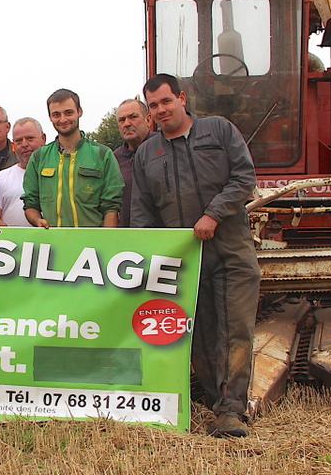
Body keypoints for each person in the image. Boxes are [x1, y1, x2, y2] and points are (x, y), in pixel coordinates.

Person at [131, 73, 260, 439]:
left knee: (236, 330)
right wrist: (149, 254)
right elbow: (142, 213)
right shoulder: (147, 154)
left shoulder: (218, 132)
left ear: (182, 98)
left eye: (166, 101)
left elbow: (244, 177)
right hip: (185, 260)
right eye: (153, 106)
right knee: (197, 334)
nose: (161, 110)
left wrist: (213, 213)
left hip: (231, 248)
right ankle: (212, 398)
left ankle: (232, 410)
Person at [23, 89, 123, 228]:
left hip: (91, 243)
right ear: (50, 117)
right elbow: (30, 203)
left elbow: (111, 207)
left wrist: (105, 242)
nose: (63, 119)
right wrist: (37, 220)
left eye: (68, 113)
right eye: (56, 114)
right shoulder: (39, 157)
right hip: (53, 243)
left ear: (79, 112)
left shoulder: (103, 155)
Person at [0, 118, 46, 227]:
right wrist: (12, 237)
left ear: (43, 139)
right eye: (19, 141)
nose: (24, 144)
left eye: (30, 138)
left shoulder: (60, 174)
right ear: (13, 146)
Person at [112, 98, 154, 227]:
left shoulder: (165, 148)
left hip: (164, 237)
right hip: (127, 238)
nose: (127, 123)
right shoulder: (114, 159)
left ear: (148, 120)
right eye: (122, 120)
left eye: (133, 117)